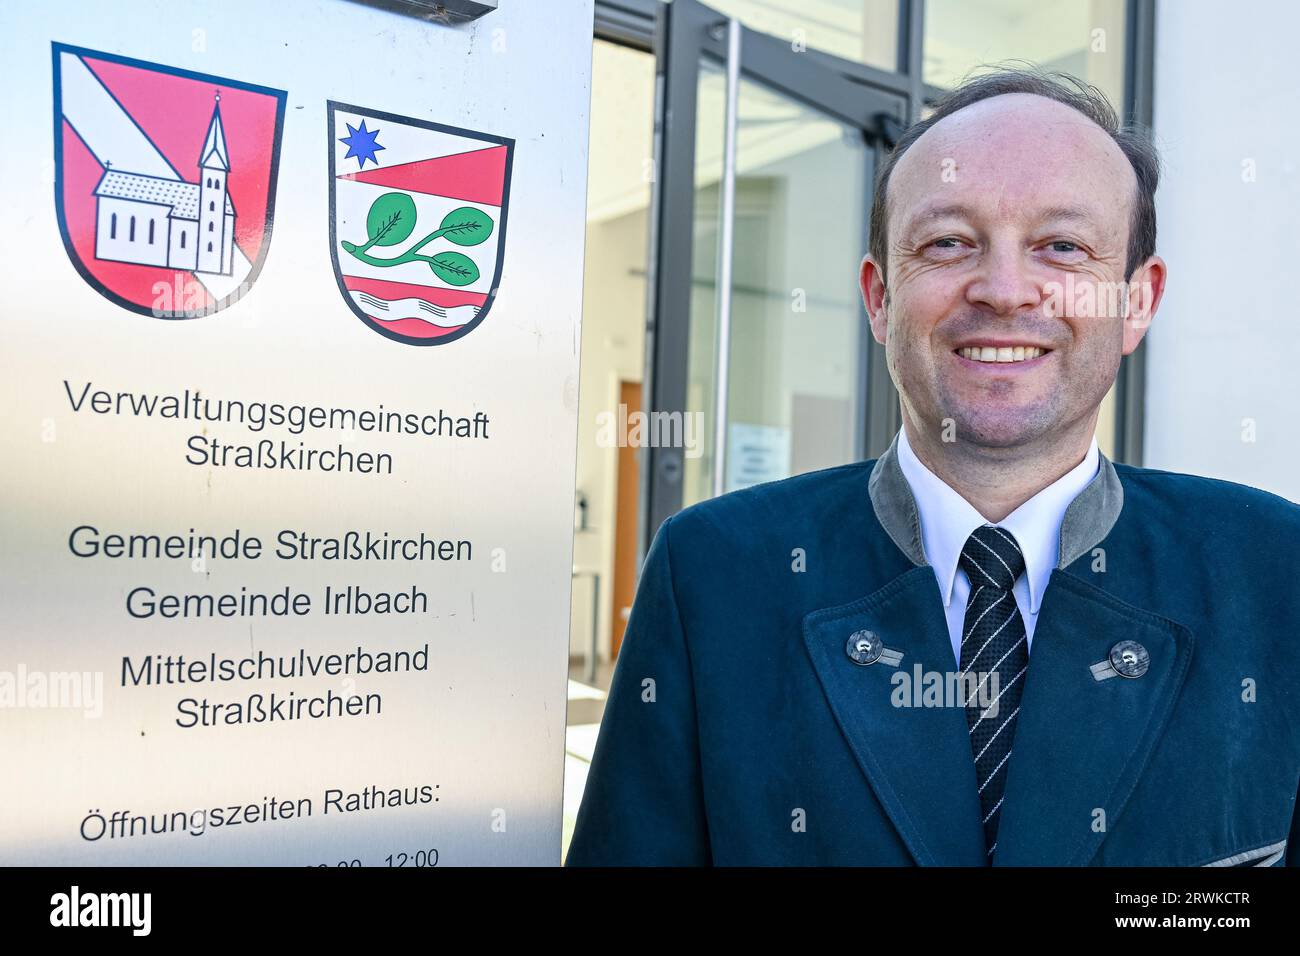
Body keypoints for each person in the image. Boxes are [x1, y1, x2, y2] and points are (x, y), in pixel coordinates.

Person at [566, 68, 1300, 866]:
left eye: (1063, 246)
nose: (1006, 291)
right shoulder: (712, 574)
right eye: (949, 241)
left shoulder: (1272, 569)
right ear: (879, 298)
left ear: (1136, 302)